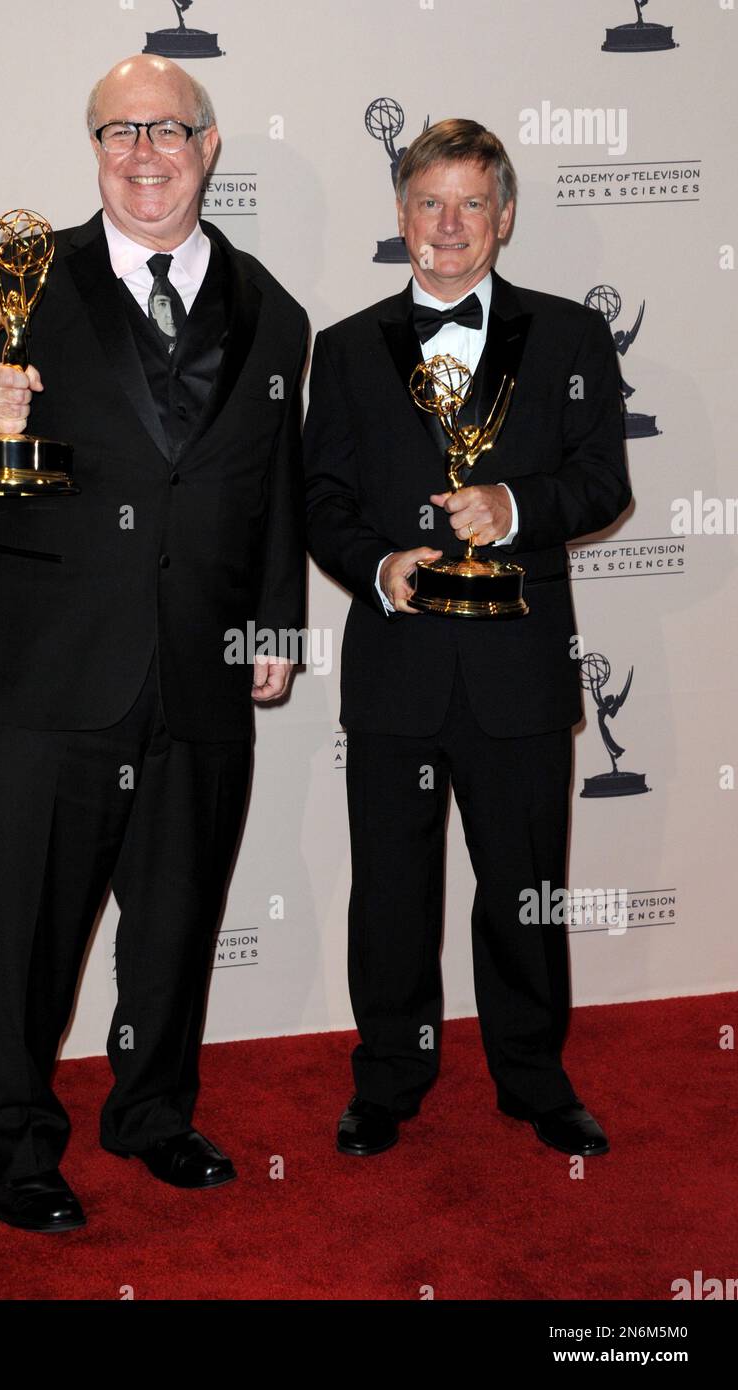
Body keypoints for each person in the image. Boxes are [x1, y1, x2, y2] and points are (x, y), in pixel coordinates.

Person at [0, 54, 308, 1232]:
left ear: (210, 143)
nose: (144, 153)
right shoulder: (21, 276)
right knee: (20, 922)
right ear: (94, 149)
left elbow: (272, 483)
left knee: (176, 916)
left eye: (167, 131)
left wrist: (277, 616)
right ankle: (12, 1137)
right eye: (117, 132)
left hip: (196, 666)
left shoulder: (272, 308)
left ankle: (149, 1112)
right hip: (45, 669)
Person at [302, 119, 630, 1161]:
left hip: (516, 666)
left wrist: (512, 503)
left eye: (470, 203)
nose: (448, 225)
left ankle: (533, 1077)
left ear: (505, 215)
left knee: (523, 888)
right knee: (390, 890)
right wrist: (375, 565)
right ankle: (388, 1079)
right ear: (400, 215)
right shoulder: (345, 345)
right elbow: (320, 497)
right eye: (428, 203)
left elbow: (601, 482)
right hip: (397, 663)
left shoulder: (569, 337)